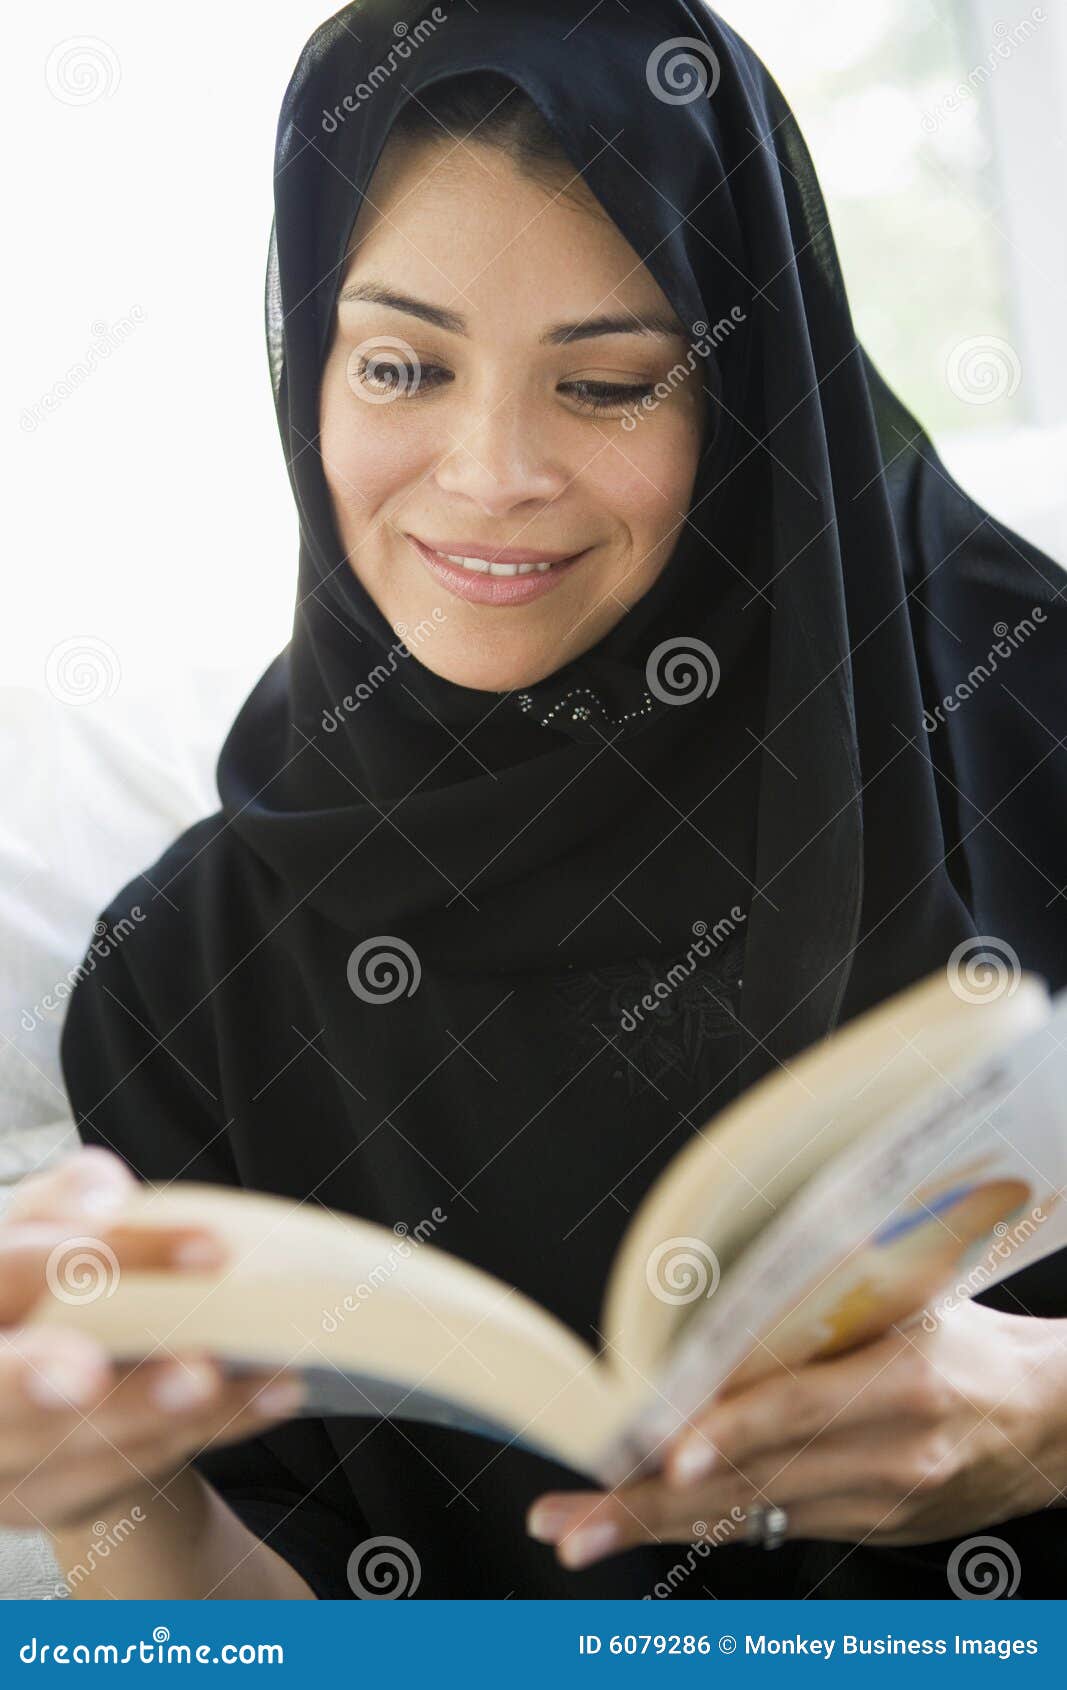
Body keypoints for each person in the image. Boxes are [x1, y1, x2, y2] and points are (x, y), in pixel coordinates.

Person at [7, 0, 1067, 1599]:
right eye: (403, 364)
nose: (490, 470)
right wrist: (101, 1477)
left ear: (750, 396)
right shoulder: (186, 979)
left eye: (610, 384)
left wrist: (1052, 1420)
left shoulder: (1026, 715)